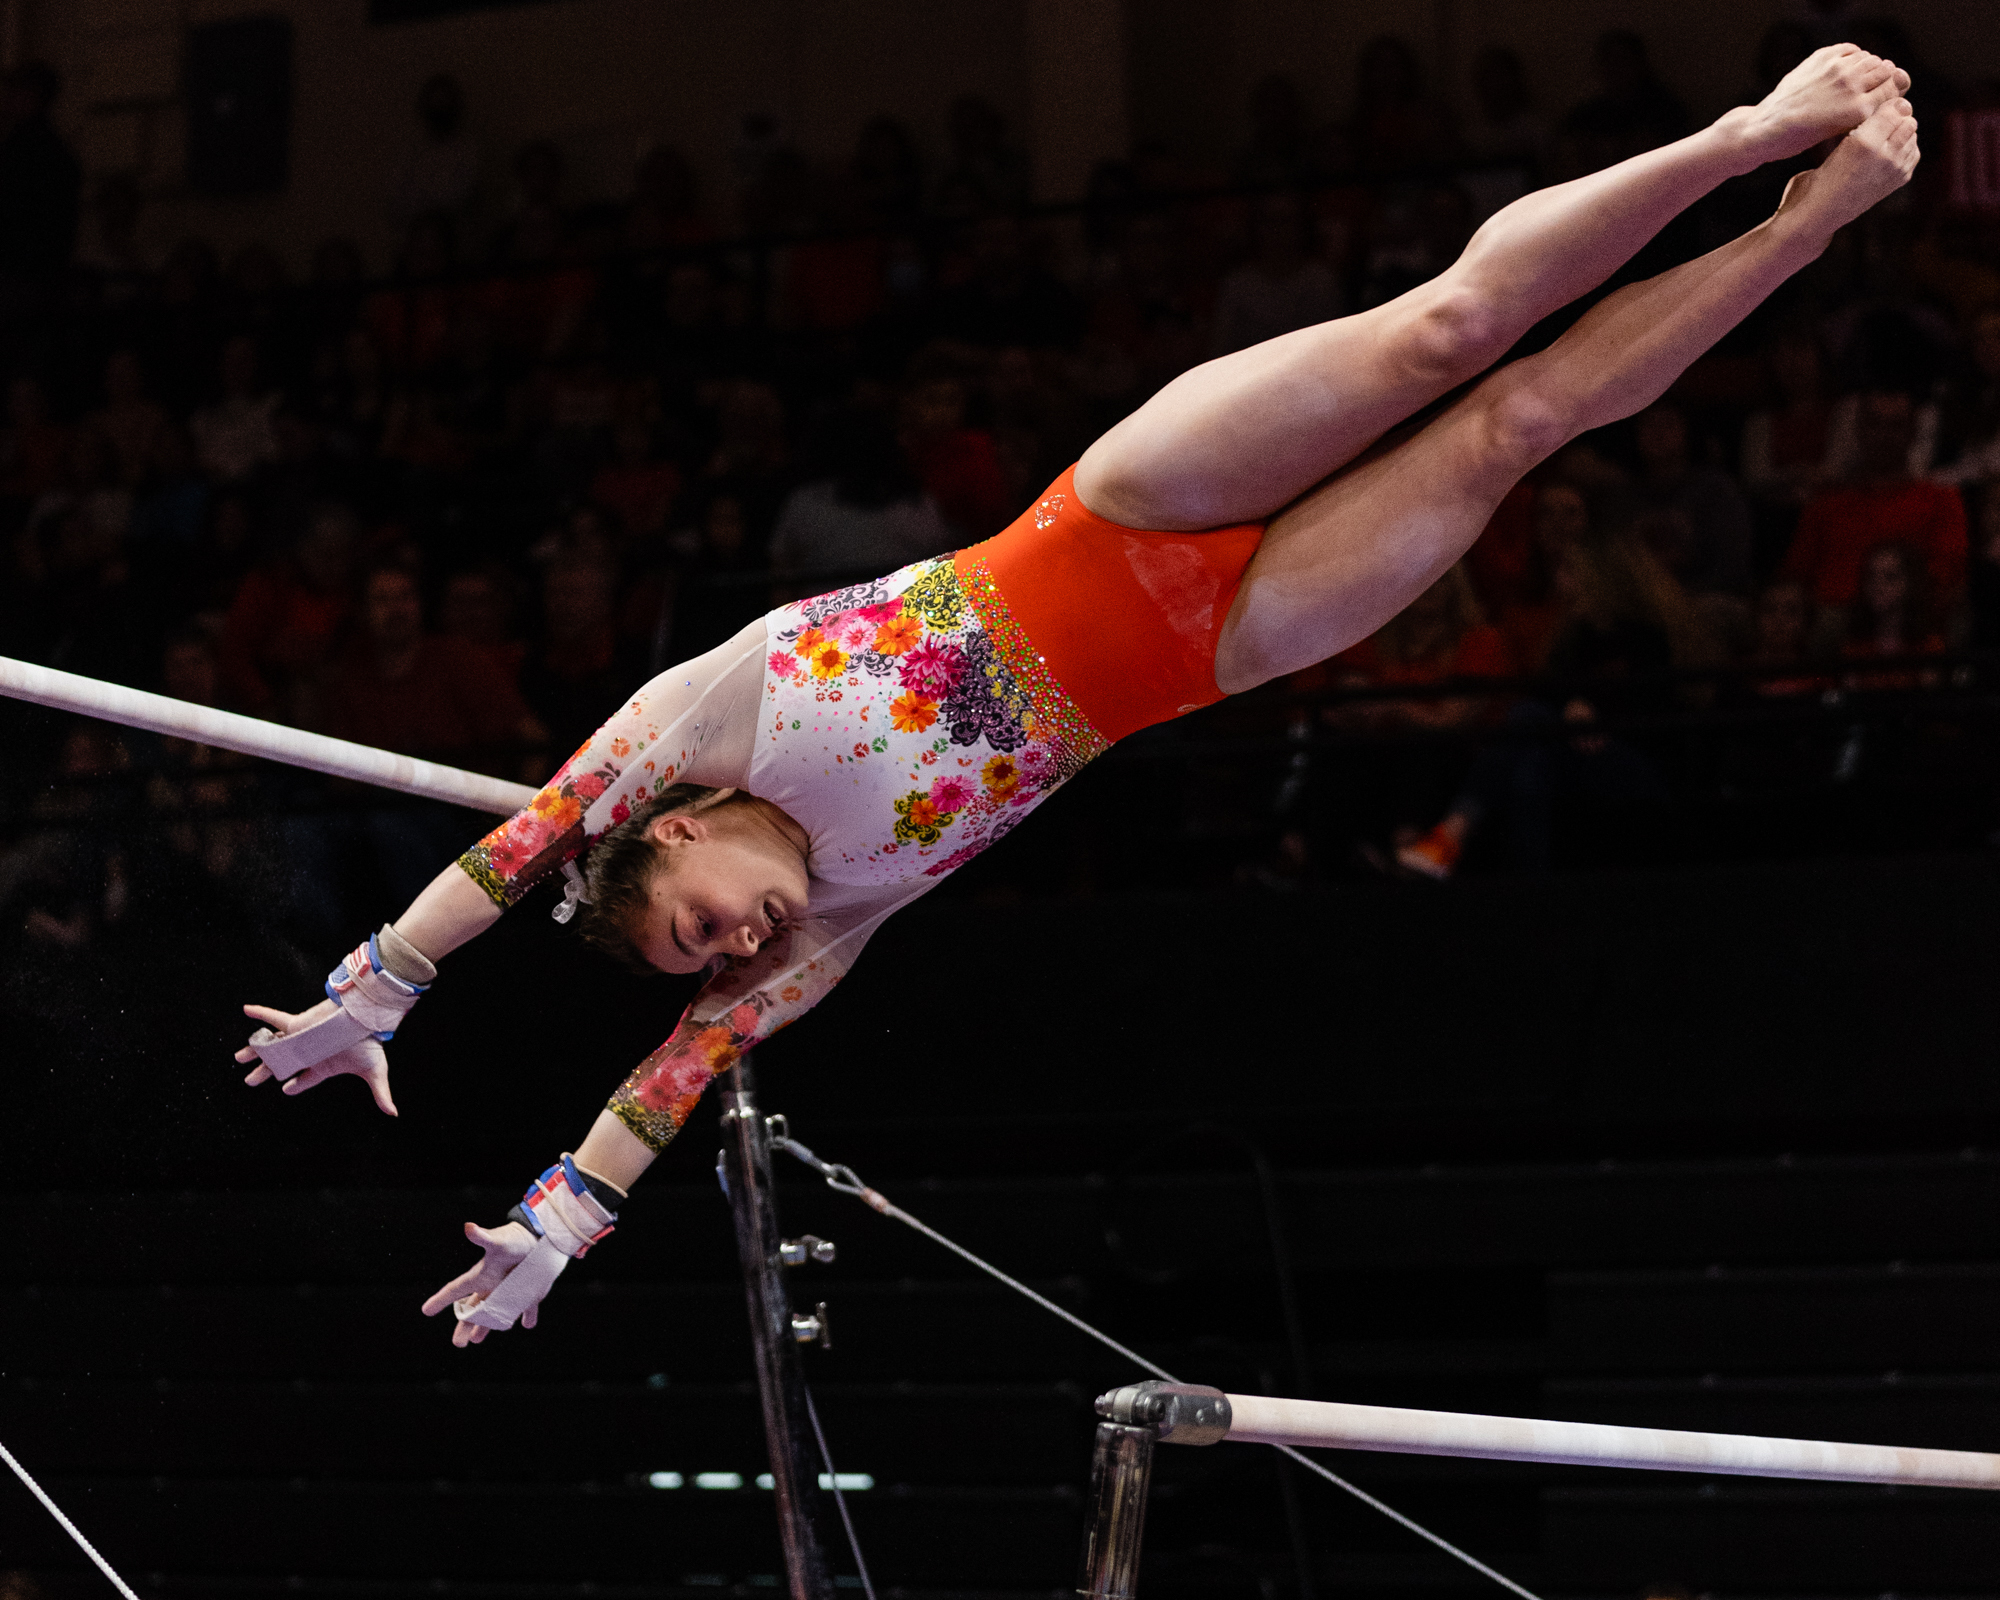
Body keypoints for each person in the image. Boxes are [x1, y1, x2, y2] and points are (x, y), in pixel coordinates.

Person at [231, 50, 1920, 1343]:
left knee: (1443, 337)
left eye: (695, 930)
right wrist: (560, 1226)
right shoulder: (826, 927)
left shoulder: (695, 725)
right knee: (1514, 428)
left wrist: (380, 985)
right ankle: (1816, 218)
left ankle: (1750, 133)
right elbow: (672, 1080)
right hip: (1211, 649)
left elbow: (526, 841)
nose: (736, 953)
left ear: (668, 836)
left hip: (1118, 517)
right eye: (714, 965)